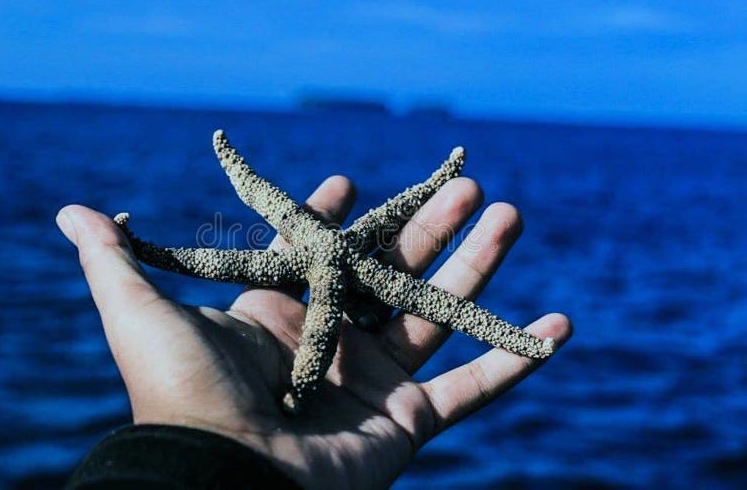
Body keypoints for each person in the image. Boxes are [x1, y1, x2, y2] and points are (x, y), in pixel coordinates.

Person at [56, 175, 572, 489]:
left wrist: (439, 179)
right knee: (430, 303)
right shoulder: (337, 252)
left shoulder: (333, 252)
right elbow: (243, 215)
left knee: (431, 301)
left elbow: (386, 217)